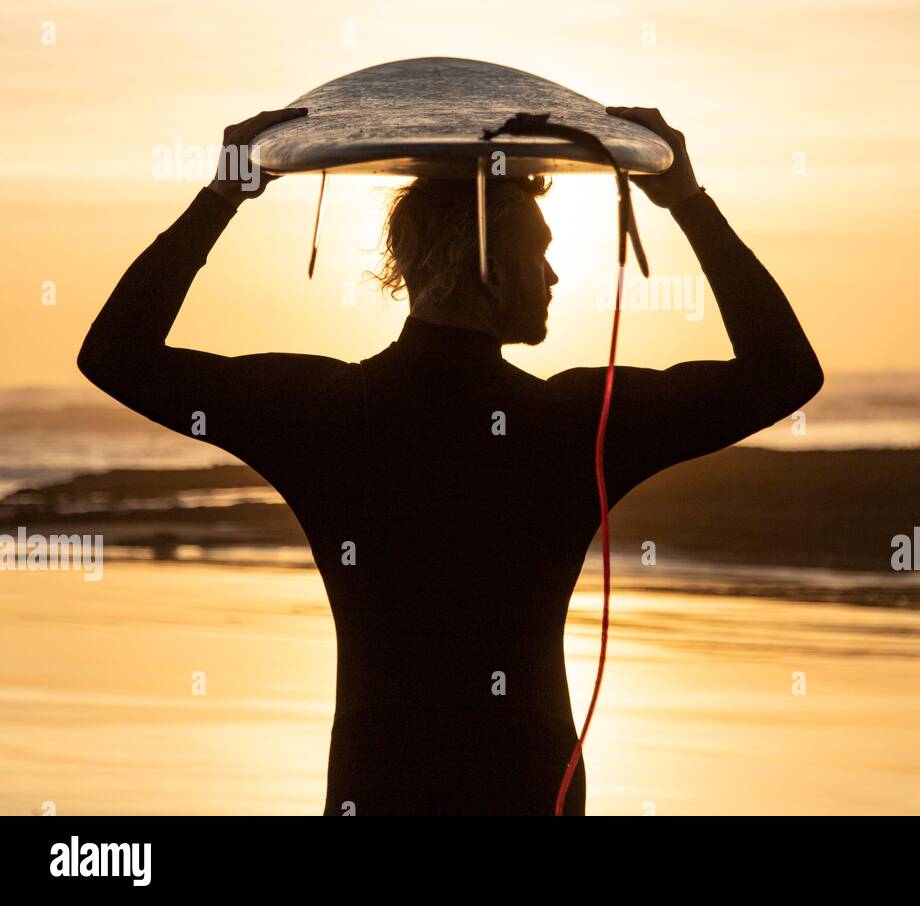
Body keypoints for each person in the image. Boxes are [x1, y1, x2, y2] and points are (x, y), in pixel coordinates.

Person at [77, 104, 824, 815]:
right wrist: (686, 201)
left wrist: (223, 193)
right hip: (532, 792)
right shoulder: (571, 424)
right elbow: (785, 373)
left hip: (376, 791)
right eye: (540, 254)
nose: (556, 278)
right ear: (488, 266)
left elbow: (116, 355)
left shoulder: (323, 413)